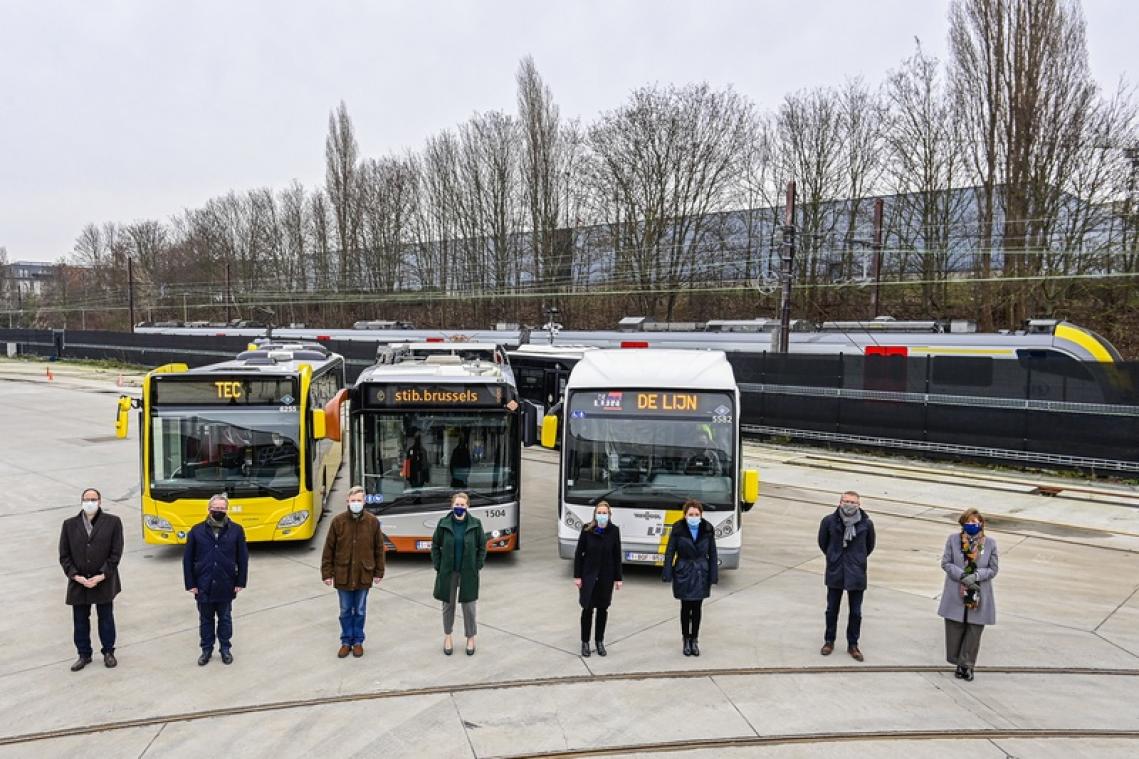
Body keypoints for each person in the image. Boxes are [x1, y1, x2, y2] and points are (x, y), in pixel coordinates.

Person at [59, 488, 124, 671]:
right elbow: (64, 555)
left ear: (100, 501)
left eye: (93, 499)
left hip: (103, 580)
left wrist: (102, 575)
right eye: (86, 499)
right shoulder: (69, 525)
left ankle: (108, 652)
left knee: (106, 618)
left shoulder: (113, 522)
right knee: (80, 620)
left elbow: (116, 553)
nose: (90, 502)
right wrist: (75, 576)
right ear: (81, 501)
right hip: (79, 582)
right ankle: (84, 654)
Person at [183, 494, 249, 666]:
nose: (219, 511)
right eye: (216, 508)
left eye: (222, 508)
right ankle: (206, 650)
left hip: (226, 583)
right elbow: (187, 559)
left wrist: (240, 581)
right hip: (203, 584)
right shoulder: (196, 531)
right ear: (209, 509)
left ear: (227, 510)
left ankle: (225, 649)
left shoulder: (236, 530)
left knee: (225, 618)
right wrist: (190, 584)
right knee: (206, 620)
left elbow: (243, 558)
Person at [321, 486, 385, 658]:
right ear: (347, 502)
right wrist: (327, 573)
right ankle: (345, 641)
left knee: (360, 610)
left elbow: (379, 549)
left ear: (364, 502)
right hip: (343, 574)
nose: (356, 503)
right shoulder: (338, 522)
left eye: (359, 500)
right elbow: (328, 549)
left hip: (364, 574)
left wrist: (379, 572)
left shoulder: (372, 522)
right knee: (345, 610)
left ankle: (358, 641)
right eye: (353, 500)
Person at [938, 508, 999, 681]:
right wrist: (963, 575)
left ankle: (967, 665)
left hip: (978, 593)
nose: (972, 524)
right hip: (956, 591)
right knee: (955, 628)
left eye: (975, 522)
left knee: (974, 631)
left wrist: (976, 576)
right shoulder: (953, 540)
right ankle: (958, 662)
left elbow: (993, 569)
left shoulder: (990, 543)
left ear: (981, 524)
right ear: (963, 523)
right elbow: (946, 563)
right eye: (969, 522)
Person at [817, 490, 876, 661]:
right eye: (846, 501)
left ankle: (853, 645)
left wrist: (857, 560)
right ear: (840, 502)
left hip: (856, 573)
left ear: (859, 505)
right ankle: (829, 641)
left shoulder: (866, 524)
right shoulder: (829, 521)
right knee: (831, 609)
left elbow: (869, 546)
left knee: (856, 612)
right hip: (836, 570)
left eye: (853, 502)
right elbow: (823, 542)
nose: (849, 505)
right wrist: (833, 557)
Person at [431, 492, 486, 656]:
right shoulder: (443, 524)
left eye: (462, 505)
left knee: (469, 606)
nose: (459, 507)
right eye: (457, 505)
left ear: (467, 506)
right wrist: (439, 566)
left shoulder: (476, 524)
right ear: (452, 505)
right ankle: (448, 636)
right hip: (449, 572)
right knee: (448, 606)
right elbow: (435, 545)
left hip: (468, 572)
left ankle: (470, 637)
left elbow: (482, 547)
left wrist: (477, 565)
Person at [662, 499, 718, 656]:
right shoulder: (678, 529)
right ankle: (686, 639)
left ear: (701, 515)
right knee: (686, 607)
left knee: (697, 608)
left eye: (696, 514)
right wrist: (667, 573)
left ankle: (695, 639)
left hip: (701, 572)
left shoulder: (707, 529)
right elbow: (670, 552)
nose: (694, 517)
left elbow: (713, 553)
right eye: (691, 514)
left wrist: (713, 575)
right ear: (685, 515)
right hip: (684, 571)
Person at [573, 501, 623, 657]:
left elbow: (617, 555)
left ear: (609, 515)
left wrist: (618, 578)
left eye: (604, 513)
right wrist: (577, 576)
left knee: (602, 609)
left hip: (606, 577)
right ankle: (585, 642)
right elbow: (579, 554)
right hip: (588, 576)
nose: (602, 515)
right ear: (595, 514)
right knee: (587, 609)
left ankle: (599, 641)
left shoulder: (614, 531)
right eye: (599, 513)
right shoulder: (587, 529)